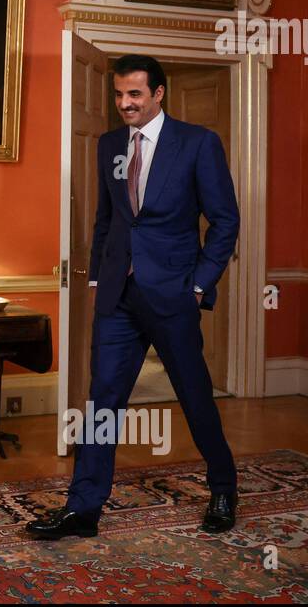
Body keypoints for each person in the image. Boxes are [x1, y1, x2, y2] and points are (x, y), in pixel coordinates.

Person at [28, 54, 240, 540]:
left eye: (135, 95)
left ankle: (224, 487)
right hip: (118, 298)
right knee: (102, 401)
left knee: (195, 396)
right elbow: (108, 219)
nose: (124, 103)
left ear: (158, 94)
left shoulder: (198, 144)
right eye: (119, 94)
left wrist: (199, 284)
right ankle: (83, 508)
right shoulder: (108, 146)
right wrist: (101, 279)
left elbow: (225, 221)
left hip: (174, 295)